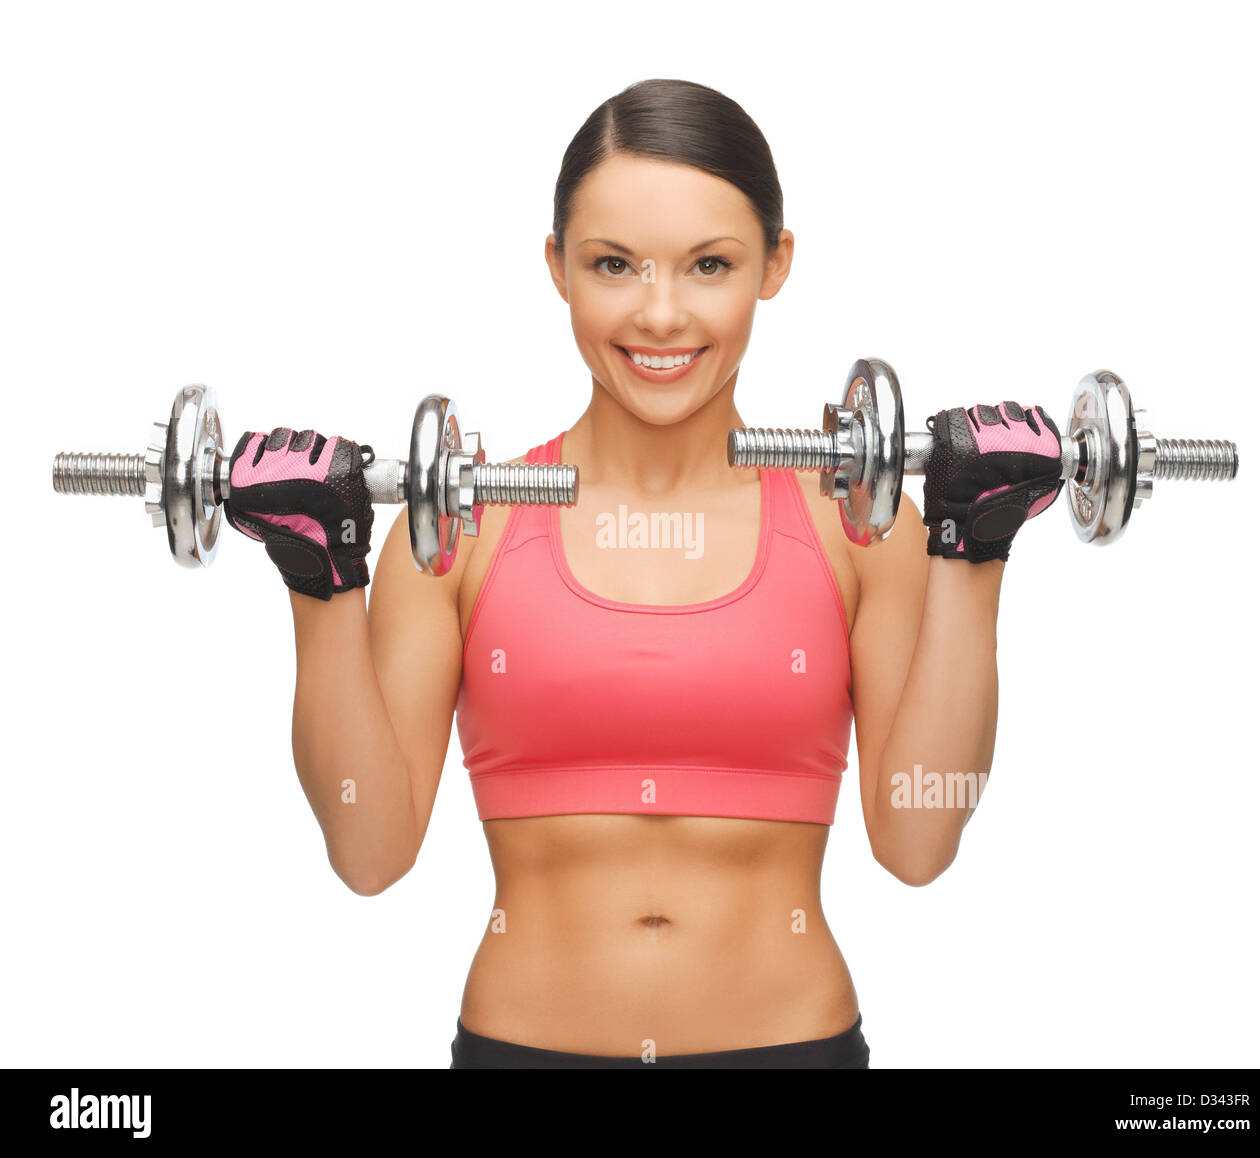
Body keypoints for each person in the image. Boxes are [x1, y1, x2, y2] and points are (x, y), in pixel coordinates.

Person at [220, 78, 1065, 1069]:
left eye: (709, 264)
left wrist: (977, 548)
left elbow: (917, 845)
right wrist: (320, 577)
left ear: (774, 264)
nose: (660, 315)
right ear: (558, 269)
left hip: (789, 1048)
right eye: (614, 264)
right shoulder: (462, 527)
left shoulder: (859, 524)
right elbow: (369, 854)